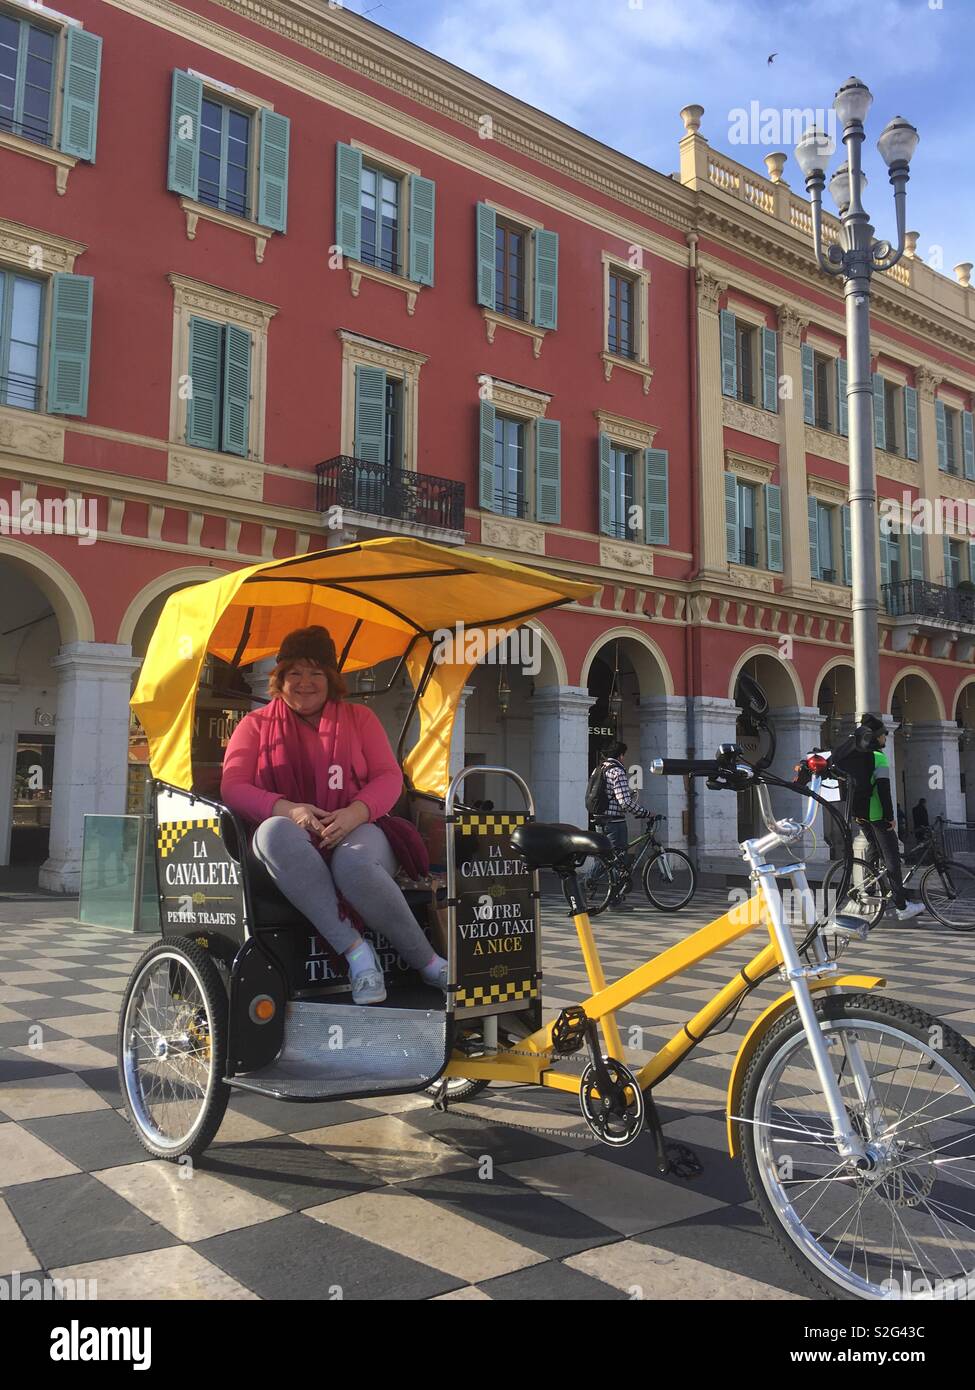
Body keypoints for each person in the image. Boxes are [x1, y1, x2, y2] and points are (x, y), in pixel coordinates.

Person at [221, 625, 447, 1004]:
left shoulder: (360, 719)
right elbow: (234, 786)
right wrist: (288, 809)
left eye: (315, 672)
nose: (305, 682)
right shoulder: (255, 726)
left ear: (330, 678)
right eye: (295, 672)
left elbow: (389, 777)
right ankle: (359, 955)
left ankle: (426, 961)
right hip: (290, 841)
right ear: (280, 679)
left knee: (353, 864)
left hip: (360, 827)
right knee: (274, 832)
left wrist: (354, 813)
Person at [839, 713, 924, 922]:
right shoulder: (878, 757)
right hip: (877, 814)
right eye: (884, 735)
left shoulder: (859, 756)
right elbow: (884, 790)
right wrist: (890, 817)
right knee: (892, 857)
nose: (885, 739)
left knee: (873, 850)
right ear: (876, 737)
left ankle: (867, 893)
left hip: (860, 813)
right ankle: (902, 906)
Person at [586, 739, 654, 857]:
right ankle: (589, 876)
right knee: (617, 858)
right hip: (615, 822)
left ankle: (600, 876)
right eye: (623, 755)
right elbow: (625, 802)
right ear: (620, 755)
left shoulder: (598, 769)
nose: (624, 758)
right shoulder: (617, 771)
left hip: (599, 819)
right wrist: (646, 813)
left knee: (604, 857)